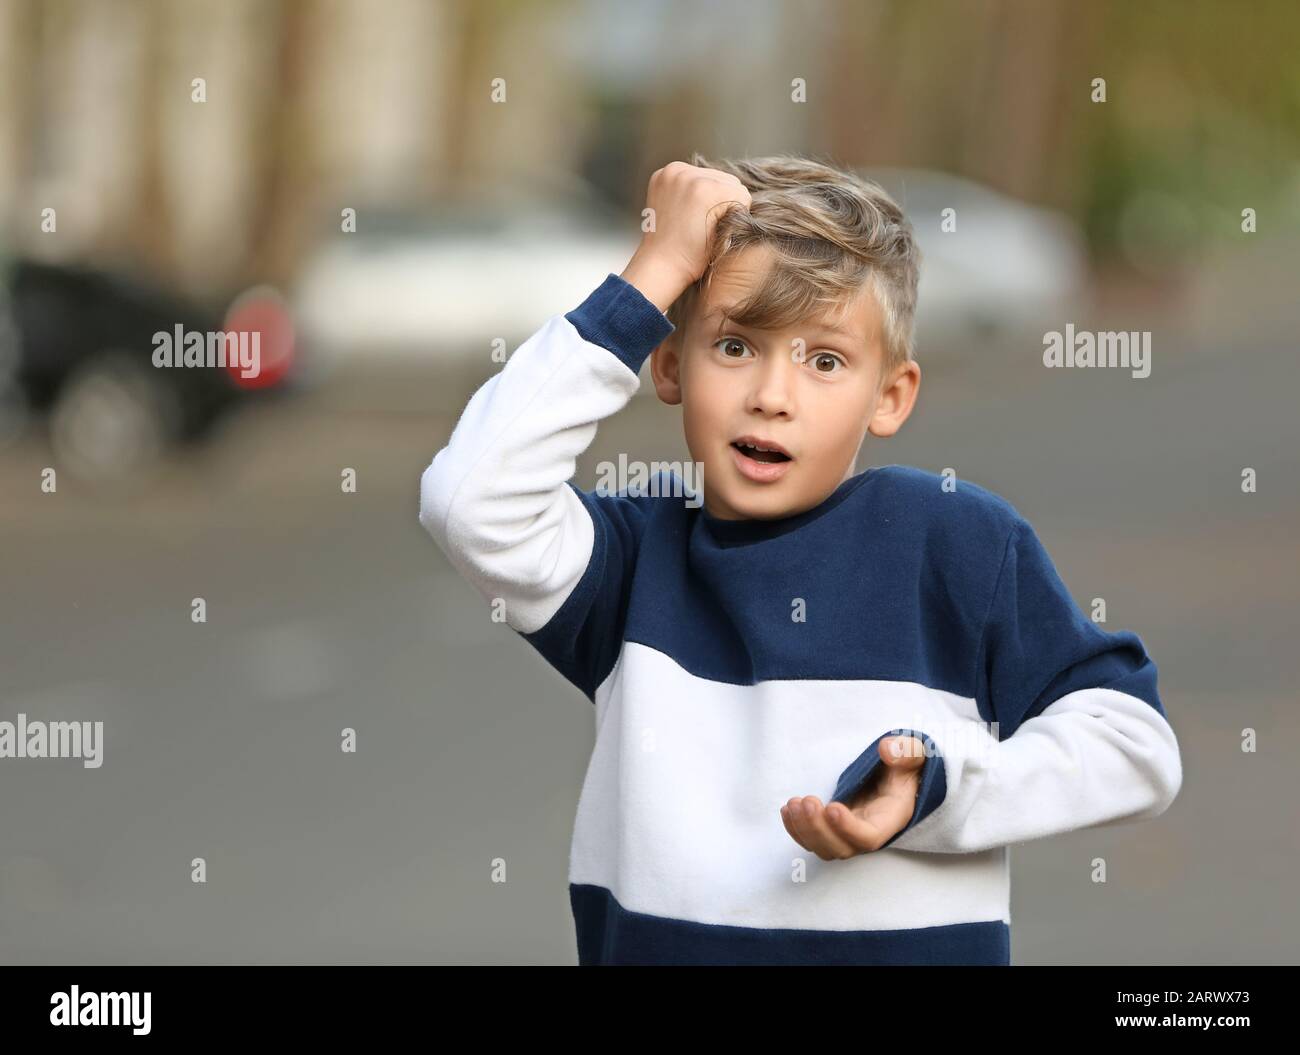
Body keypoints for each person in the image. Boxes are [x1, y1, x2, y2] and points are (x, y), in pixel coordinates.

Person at [418, 153, 1183, 965]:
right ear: (670, 365)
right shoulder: (628, 562)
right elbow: (469, 499)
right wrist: (651, 278)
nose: (773, 395)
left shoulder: (957, 544)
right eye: (737, 345)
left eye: (824, 361)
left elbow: (1134, 744)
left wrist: (938, 787)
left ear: (889, 395)